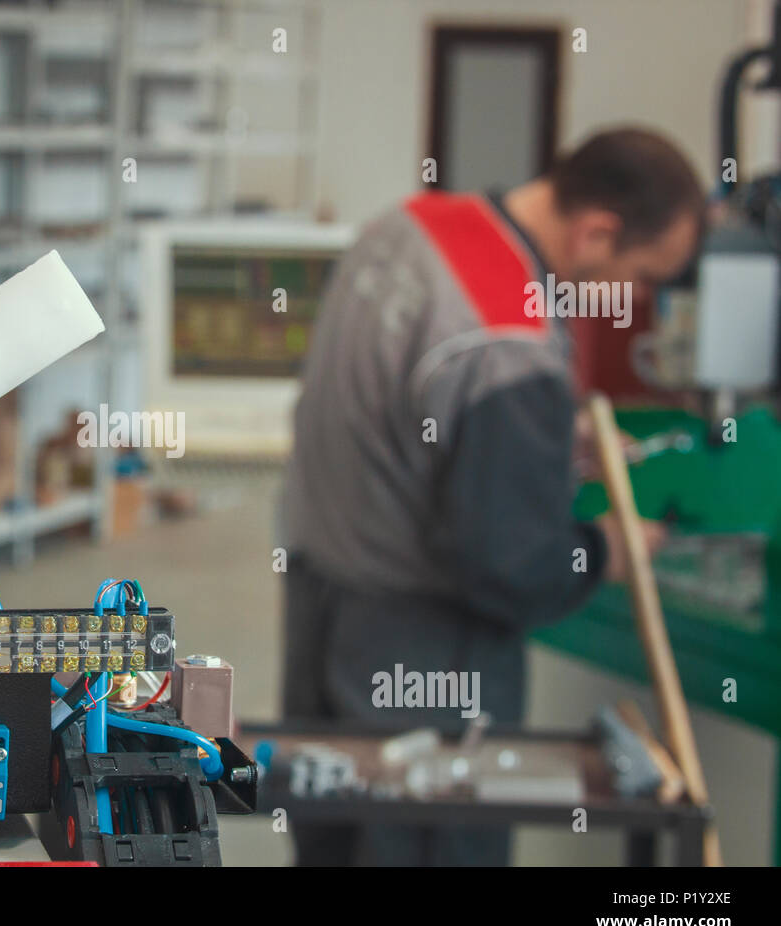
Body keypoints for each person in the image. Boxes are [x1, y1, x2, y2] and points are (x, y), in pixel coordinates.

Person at [280, 128, 703, 866]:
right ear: (596, 230)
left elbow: (407, 407)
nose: (639, 301)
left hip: (324, 600)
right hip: (427, 652)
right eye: (641, 276)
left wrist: (534, 448)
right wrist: (608, 549)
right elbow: (509, 565)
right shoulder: (512, 339)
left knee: (338, 834)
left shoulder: (411, 226)